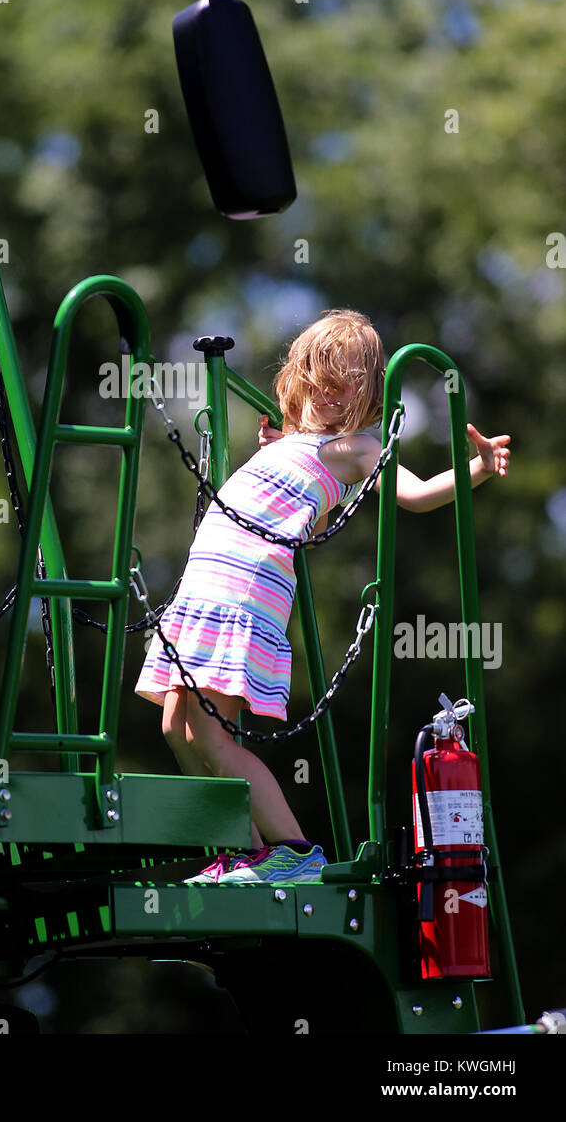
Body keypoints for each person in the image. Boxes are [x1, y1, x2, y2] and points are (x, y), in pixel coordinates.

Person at [134, 309, 511, 886]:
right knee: (175, 727)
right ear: (300, 380)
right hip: (204, 585)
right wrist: (280, 444)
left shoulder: (355, 449)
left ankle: (293, 848)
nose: (332, 399)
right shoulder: (288, 443)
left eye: (346, 392)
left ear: (364, 404)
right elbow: (302, 513)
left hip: (244, 594)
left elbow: (414, 495)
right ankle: (238, 853)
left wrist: (476, 469)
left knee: (210, 732)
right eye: (323, 385)